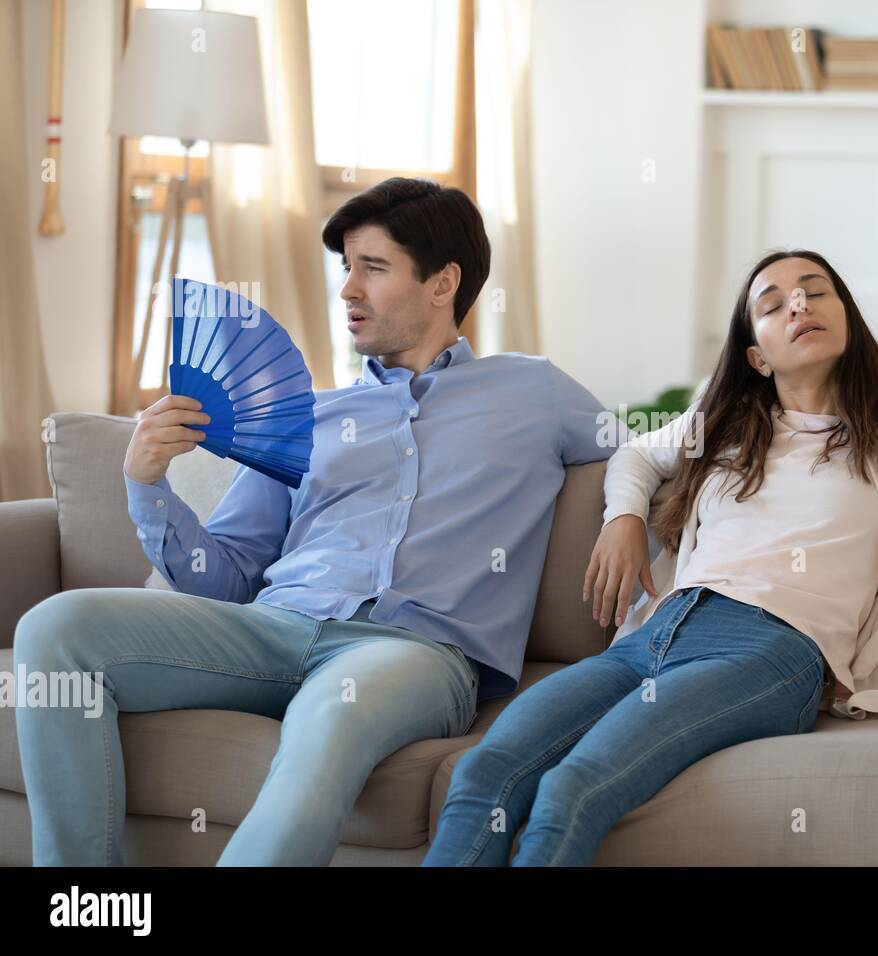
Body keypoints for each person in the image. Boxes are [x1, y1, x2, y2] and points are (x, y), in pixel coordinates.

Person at [423, 247, 878, 866]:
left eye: (817, 290)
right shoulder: (723, 427)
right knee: (485, 774)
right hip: (653, 638)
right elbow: (636, 453)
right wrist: (625, 518)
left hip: (767, 652)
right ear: (756, 355)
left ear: (845, 320)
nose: (800, 304)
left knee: (574, 786)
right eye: (774, 301)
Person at [13, 177, 622, 866]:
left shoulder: (534, 391)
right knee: (54, 629)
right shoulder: (311, 417)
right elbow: (229, 574)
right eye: (345, 269)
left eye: (373, 268)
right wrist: (148, 486)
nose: (347, 291)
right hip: (273, 628)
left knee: (335, 712)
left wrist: (627, 516)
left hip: (416, 650)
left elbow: (656, 458)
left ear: (443, 282)